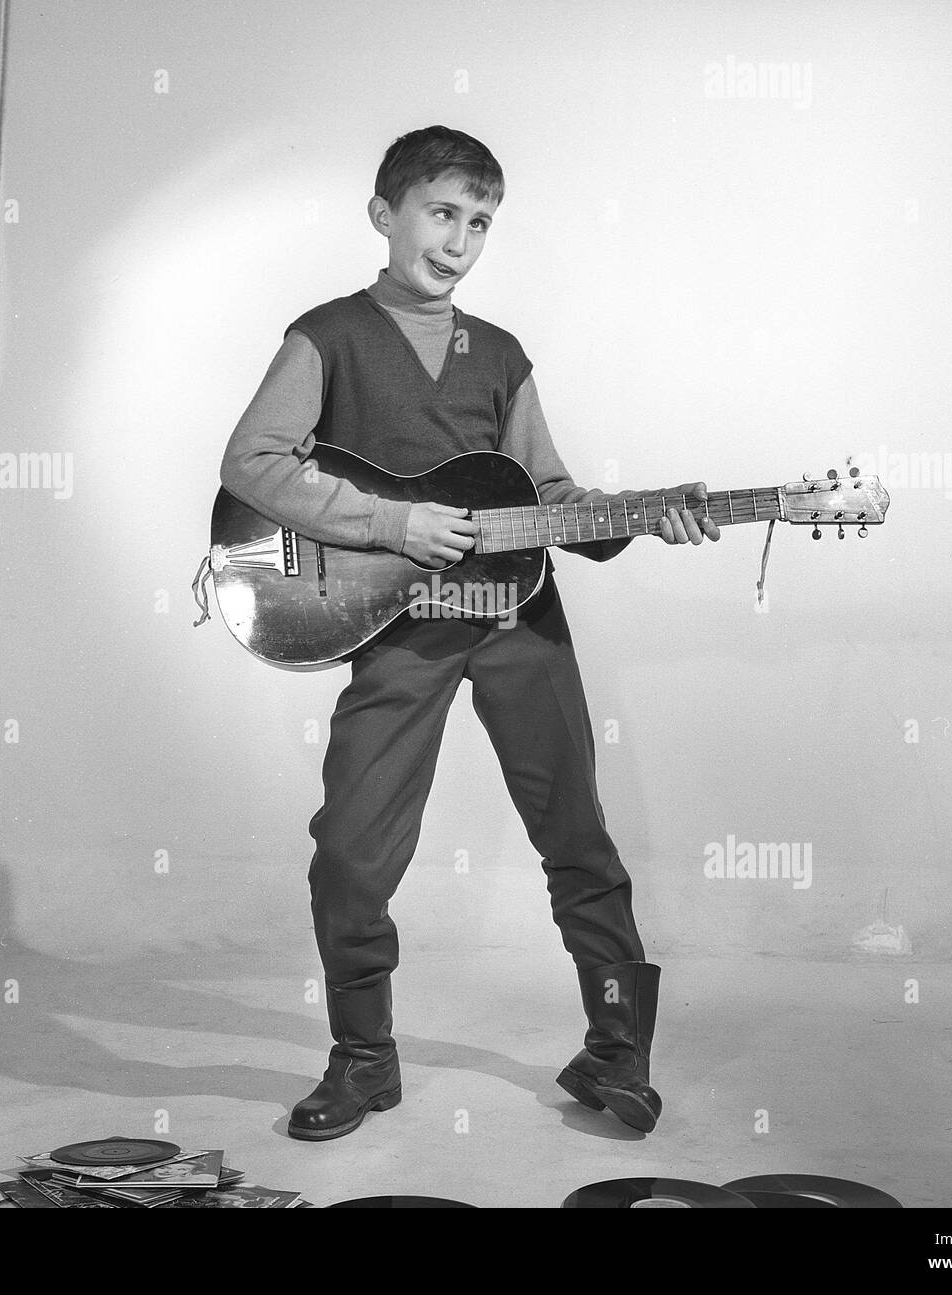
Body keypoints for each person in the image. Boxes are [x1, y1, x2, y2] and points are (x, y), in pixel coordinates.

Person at [220, 125, 719, 1142]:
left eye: (479, 222)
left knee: (575, 834)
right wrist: (395, 522)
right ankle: (363, 1059)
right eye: (441, 212)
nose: (458, 240)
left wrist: (649, 510)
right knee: (351, 854)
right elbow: (253, 461)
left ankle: (615, 1051)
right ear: (385, 214)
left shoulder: (500, 355)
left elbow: (552, 495)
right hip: (401, 625)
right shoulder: (326, 336)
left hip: (516, 618)